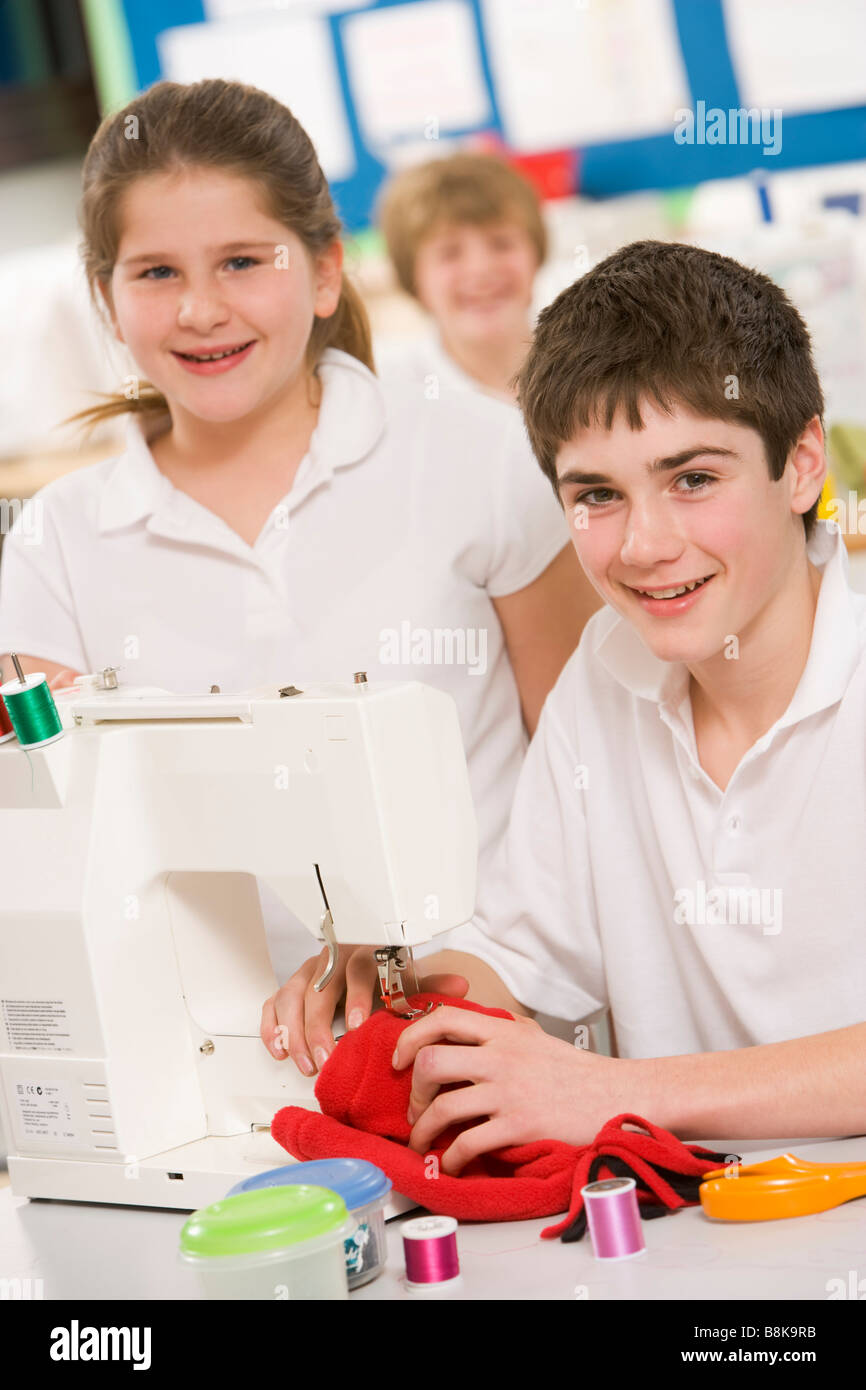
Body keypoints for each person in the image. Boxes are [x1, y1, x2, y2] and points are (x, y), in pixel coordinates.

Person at [0, 78, 594, 1017]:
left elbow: (592, 774)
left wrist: (455, 967)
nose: (201, 309)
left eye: (242, 261)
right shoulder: (57, 543)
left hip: (489, 1029)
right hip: (205, 1067)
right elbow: (60, 847)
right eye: (156, 272)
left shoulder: (476, 455)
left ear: (325, 272)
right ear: (106, 301)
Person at [272, 241, 866, 1160]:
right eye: (597, 494)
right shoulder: (608, 672)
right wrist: (401, 978)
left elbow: (592, 1089)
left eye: (694, 478)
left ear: (800, 464)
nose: (645, 545)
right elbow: (519, 962)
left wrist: (614, 1093)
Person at [375, 151, 547, 404]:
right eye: (450, 253)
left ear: (536, 254)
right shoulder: (389, 394)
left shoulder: (595, 364)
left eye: (501, 244)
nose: (481, 269)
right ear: (413, 277)